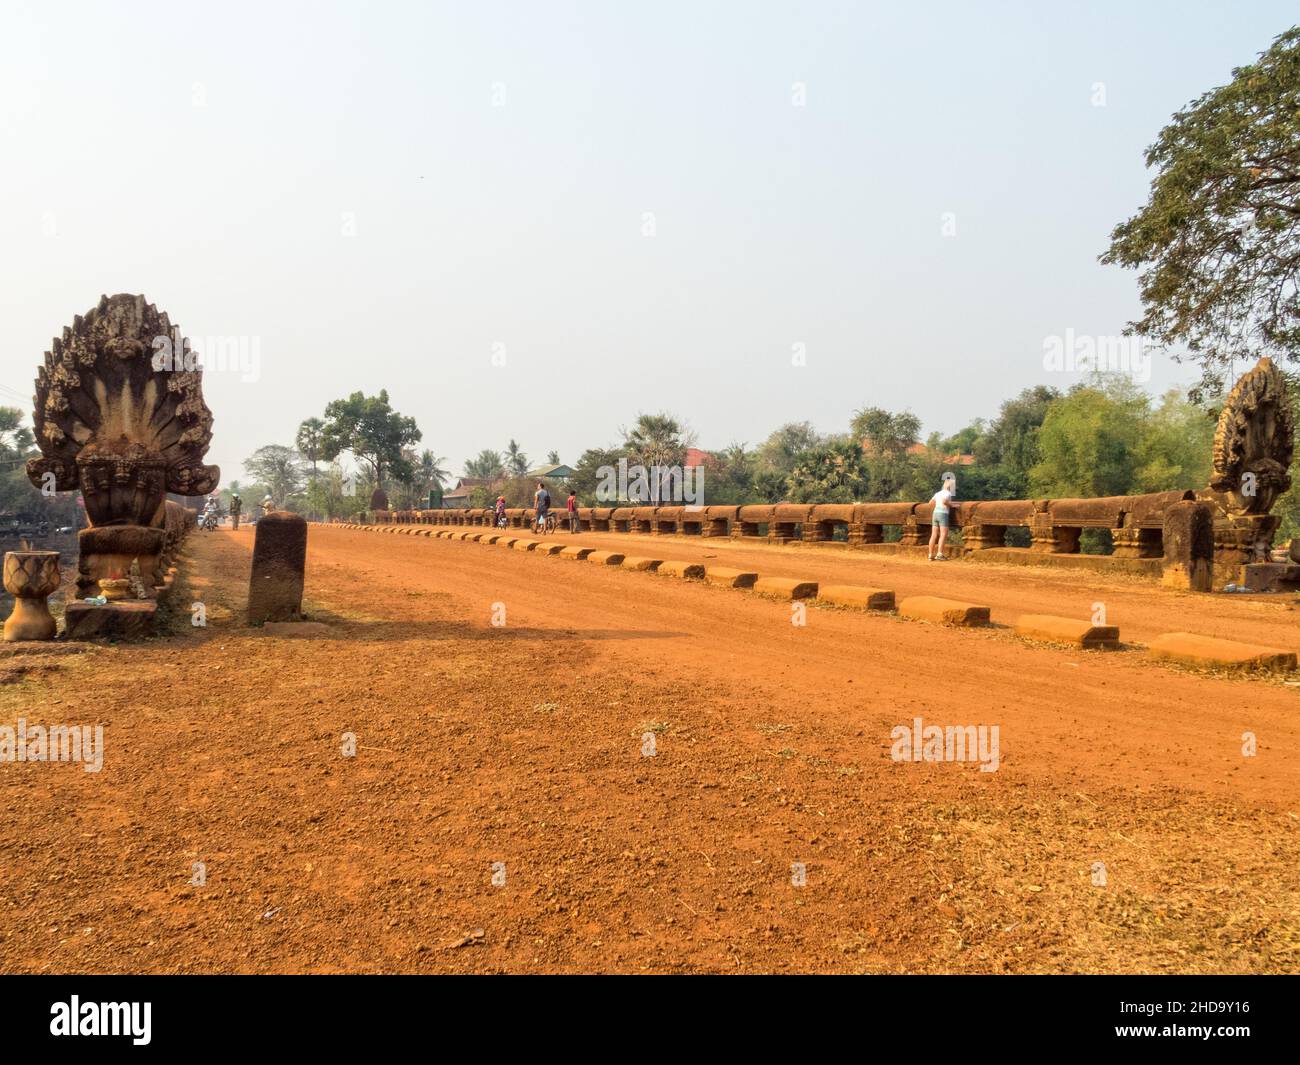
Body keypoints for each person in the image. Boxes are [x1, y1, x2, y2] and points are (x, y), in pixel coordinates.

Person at [928, 473, 957, 561]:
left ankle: (930, 555)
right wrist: (952, 505)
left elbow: (930, 503)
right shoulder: (948, 493)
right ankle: (939, 554)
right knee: (943, 534)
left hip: (935, 513)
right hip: (943, 514)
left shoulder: (937, 493)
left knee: (933, 534)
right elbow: (945, 501)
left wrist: (938, 506)